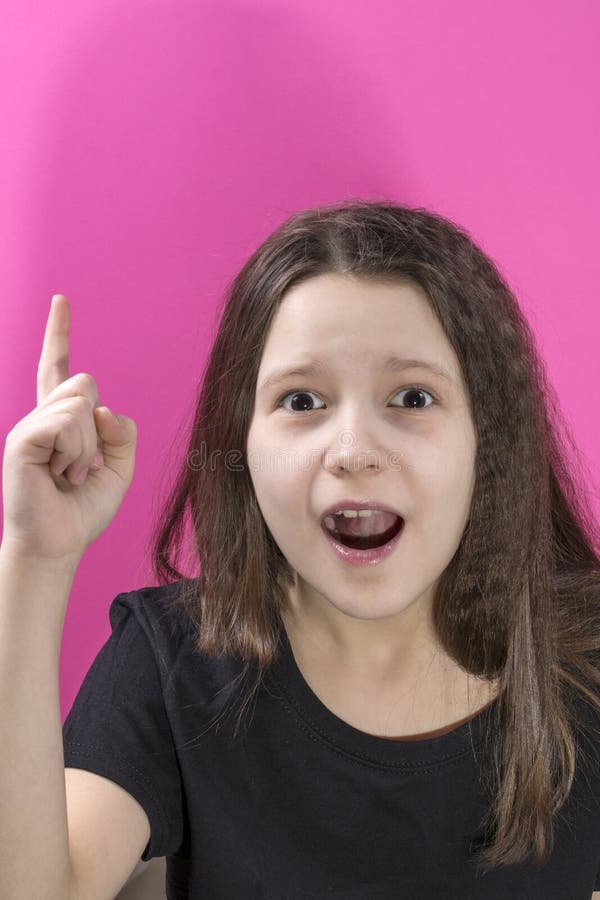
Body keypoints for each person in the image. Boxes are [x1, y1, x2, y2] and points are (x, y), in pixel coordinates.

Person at [1, 200, 600, 900]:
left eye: (412, 398)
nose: (353, 451)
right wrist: (35, 560)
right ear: (243, 443)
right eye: (302, 401)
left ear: (487, 439)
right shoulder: (171, 661)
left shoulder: (586, 668)